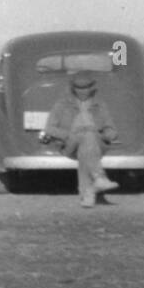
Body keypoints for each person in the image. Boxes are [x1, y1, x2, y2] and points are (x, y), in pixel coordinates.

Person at [40, 72, 120, 207]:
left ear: (92, 88)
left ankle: (87, 195)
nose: (83, 91)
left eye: (86, 88)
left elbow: (111, 129)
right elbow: (49, 129)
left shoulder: (100, 105)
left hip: (94, 142)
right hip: (69, 142)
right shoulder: (62, 104)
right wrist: (67, 135)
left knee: (86, 145)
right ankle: (99, 177)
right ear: (73, 88)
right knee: (86, 138)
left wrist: (106, 135)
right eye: (79, 88)